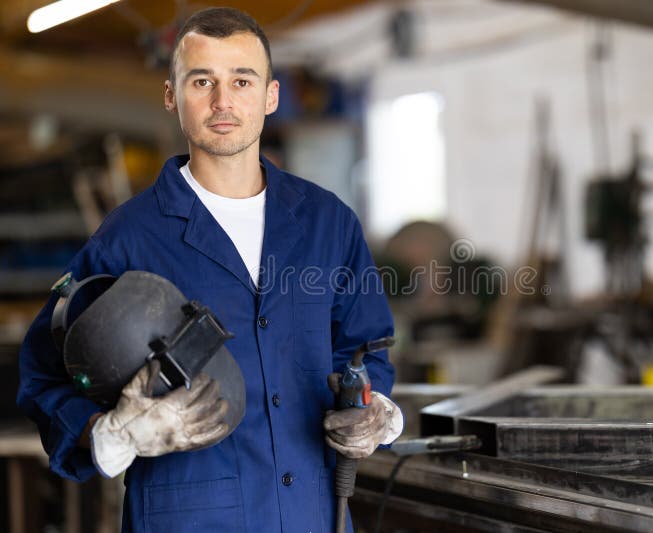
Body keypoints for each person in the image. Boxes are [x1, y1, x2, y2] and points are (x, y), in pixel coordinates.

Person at [17, 7, 402, 533]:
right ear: (172, 96)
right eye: (203, 81)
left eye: (241, 80)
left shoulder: (327, 222)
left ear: (270, 95)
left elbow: (364, 350)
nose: (223, 101)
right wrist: (113, 434)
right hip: (185, 519)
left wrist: (376, 410)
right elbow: (43, 373)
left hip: (313, 513)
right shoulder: (129, 235)